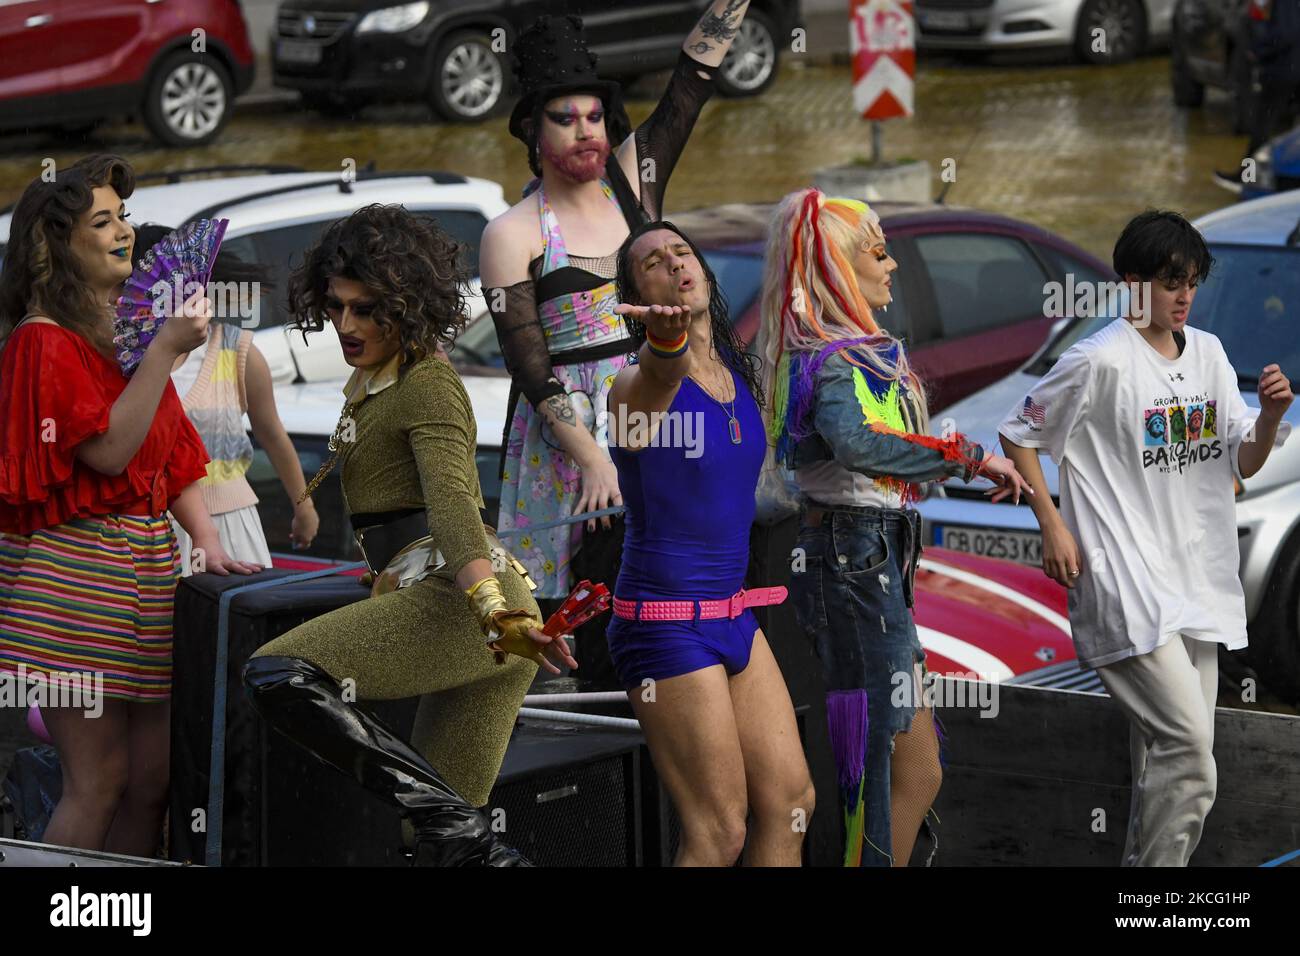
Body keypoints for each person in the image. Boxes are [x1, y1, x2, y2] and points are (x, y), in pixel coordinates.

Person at [240, 204, 577, 866]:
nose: (346, 324)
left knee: (276, 672)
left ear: (406, 304)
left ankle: (453, 826)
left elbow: (453, 502)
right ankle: (459, 832)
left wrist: (493, 612)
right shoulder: (376, 379)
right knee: (447, 845)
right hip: (476, 612)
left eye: (365, 309)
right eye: (336, 306)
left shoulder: (428, 383)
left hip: (467, 604)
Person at [999, 210, 1293, 866]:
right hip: (1124, 581)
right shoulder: (1098, 360)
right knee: (1191, 755)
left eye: (1190, 282)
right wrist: (1052, 523)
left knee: (1163, 763)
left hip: (1197, 582)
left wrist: (1270, 416)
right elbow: (1019, 432)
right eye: (1169, 282)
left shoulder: (1211, 354)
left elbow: (1242, 461)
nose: (1184, 295)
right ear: (1132, 283)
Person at [479, 4, 755, 684]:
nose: (585, 130)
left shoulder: (634, 186)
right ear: (532, 131)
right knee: (587, 601)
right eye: (564, 118)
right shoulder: (511, 233)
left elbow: (690, 84)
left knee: (676, 568)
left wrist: (728, 7)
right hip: (570, 433)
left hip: (658, 398)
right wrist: (594, 457)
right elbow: (530, 367)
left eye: (594, 116)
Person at [758, 189, 1029, 867]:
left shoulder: (855, 351)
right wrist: (967, 458)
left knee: (917, 770)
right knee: (871, 771)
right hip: (853, 559)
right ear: (839, 269)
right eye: (877, 253)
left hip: (878, 557)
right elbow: (859, 443)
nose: (893, 266)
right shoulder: (833, 359)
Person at [0, 154, 259, 856]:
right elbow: (109, 453)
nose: (124, 232)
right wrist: (166, 351)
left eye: (125, 218)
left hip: (147, 570)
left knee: (152, 779)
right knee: (100, 780)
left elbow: (172, 458)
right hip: (75, 576)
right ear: (58, 245)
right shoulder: (42, 341)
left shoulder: (121, 340)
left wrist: (205, 539)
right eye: (102, 221)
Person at [605, 219, 815, 867]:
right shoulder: (632, 388)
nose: (673, 264)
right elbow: (656, 384)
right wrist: (664, 344)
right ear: (637, 295)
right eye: (652, 263)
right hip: (663, 624)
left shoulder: (734, 370)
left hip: (733, 615)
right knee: (719, 830)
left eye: (681, 252)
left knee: (790, 801)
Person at [130, 223, 319, 571]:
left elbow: (272, 434)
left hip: (231, 527)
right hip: (149, 533)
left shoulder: (236, 349)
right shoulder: (124, 361)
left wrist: (303, 506)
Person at [1214, 0, 1300, 192]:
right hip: (1289, 69)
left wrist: (1258, 50)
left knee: (1261, 129)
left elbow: (1288, 32)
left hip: (1283, 71)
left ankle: (1247, 178)